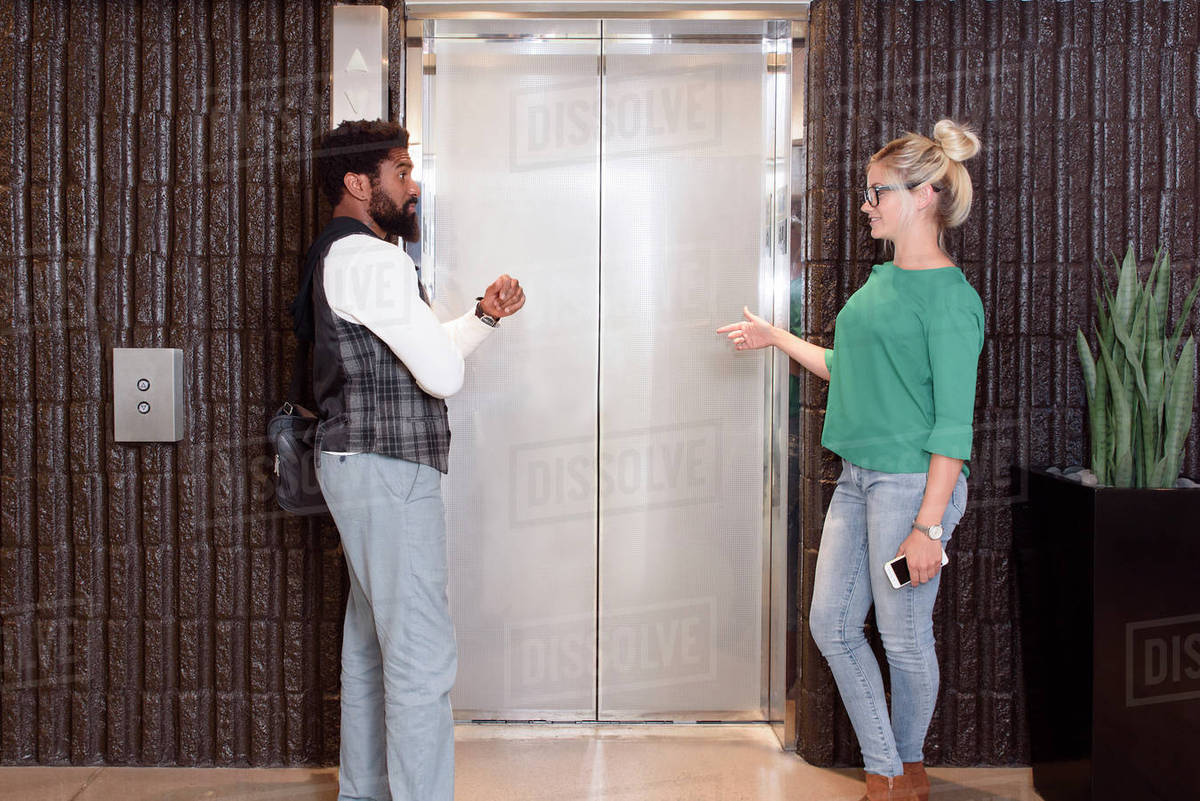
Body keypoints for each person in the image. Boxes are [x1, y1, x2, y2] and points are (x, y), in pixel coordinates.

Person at [718, 119, 984, 801]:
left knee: (903, 638)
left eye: (877, 192)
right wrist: (775, 336)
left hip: (912, 485)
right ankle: (894, 770)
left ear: (923, 195)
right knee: (832, 624)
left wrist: (927, 527)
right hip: (860, 478)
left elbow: (954, 426)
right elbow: (848, 367)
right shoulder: (882, 282)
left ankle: (895, 776)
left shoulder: (952, 300)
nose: (866, 205)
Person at [300, 120, 525, 801]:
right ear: (357, 183)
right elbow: (440, 374)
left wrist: (480, 317)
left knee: (373, 649)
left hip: (359, 463)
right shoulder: (373, 260)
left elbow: (424, 349)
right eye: (400, 170)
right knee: (421, 655)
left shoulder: (342, 253)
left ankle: (365, 792)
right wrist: (450, 344)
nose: (412, 182)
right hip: (388, 469)